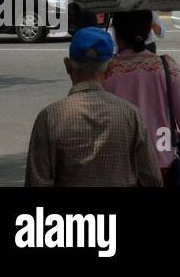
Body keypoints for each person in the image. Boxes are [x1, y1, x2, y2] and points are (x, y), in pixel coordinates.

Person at [24, 27, 162, 187]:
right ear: (111, 69)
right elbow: (153, 179)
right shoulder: (131, 115)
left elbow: (36, 182)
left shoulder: (49, 117)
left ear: (67, 65)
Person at [103, 10, 180, 186]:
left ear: (116, 33)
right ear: (150, 29)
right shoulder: (166, 67)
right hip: (163, 167)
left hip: (120, 172)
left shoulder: (105, 72)